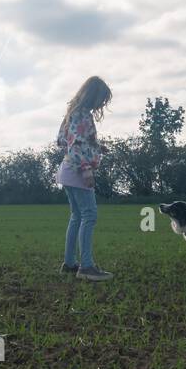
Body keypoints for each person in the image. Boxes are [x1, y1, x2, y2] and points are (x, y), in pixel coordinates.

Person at [56, 76, 112, 281]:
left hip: (67, 170)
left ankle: (70, 263)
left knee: (77, 217)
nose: (102, 104)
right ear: (93, 96)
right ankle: (86, 267)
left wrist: (96, 146)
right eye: (102, 99)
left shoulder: (71, 114)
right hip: (79, 171)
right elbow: (76, 144)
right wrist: (87, 168)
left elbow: (62, 140)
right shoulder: (84, 115)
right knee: (90, 216)